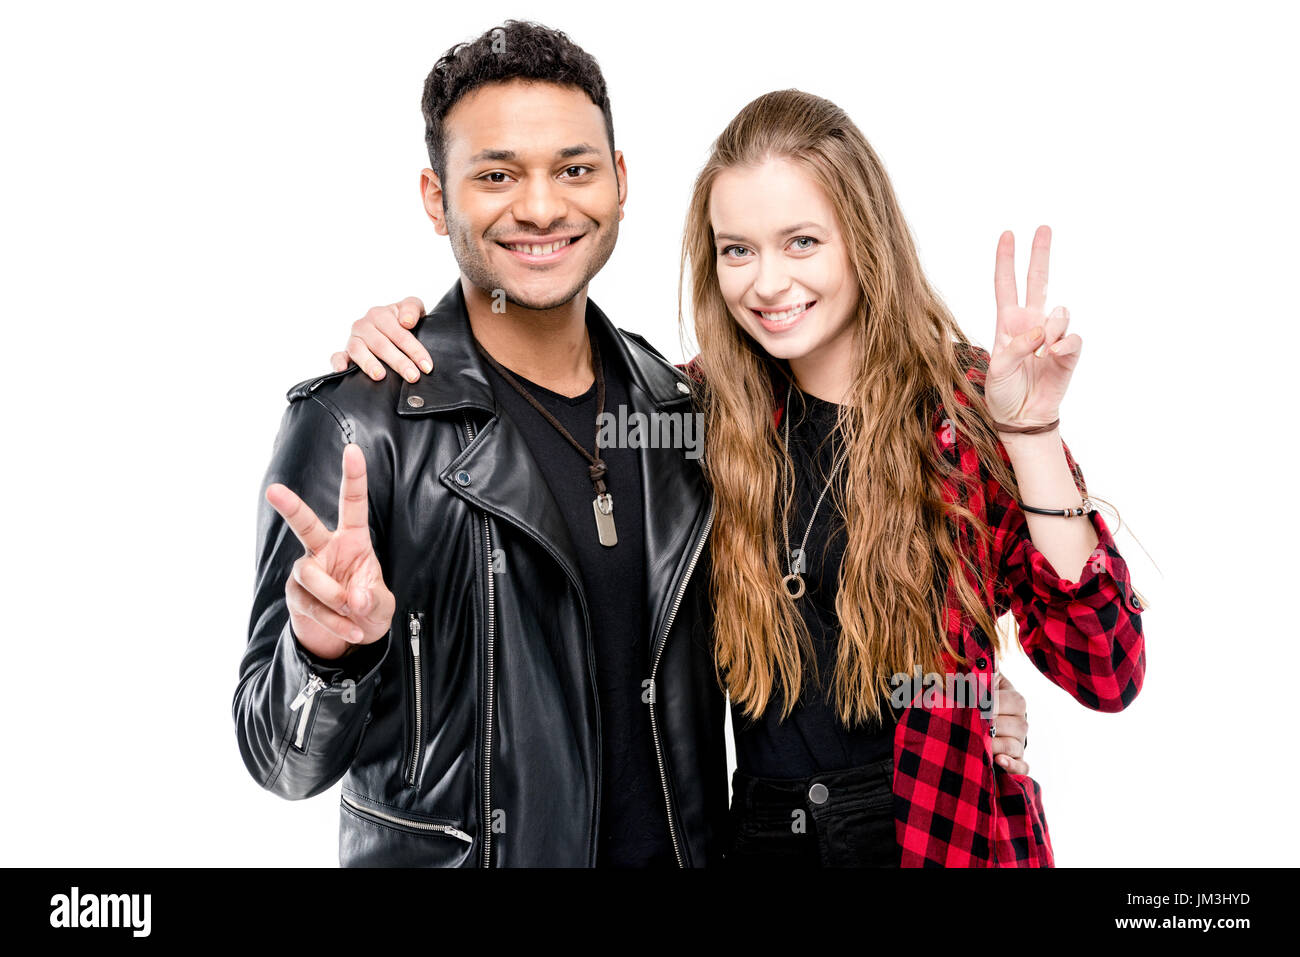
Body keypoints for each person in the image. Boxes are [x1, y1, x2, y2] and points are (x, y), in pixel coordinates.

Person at [338, 85, 1147, 866]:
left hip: (939, 831)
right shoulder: (691, 418)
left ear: (865, 239)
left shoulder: (969, 407)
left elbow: (1106, 669)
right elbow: (544, 402)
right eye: (737, 250)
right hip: (761, 839)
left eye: (802, 241)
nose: (767, 283)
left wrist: (1032, 431)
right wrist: (407, 350)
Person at [234, 20, 729, 867]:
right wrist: (325, 652)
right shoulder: (359, 425)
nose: (541, 208)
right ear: (437, 198)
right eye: (496, 175)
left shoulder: (682, 404)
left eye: (574, 169)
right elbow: (280, 760)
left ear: (619, 181)